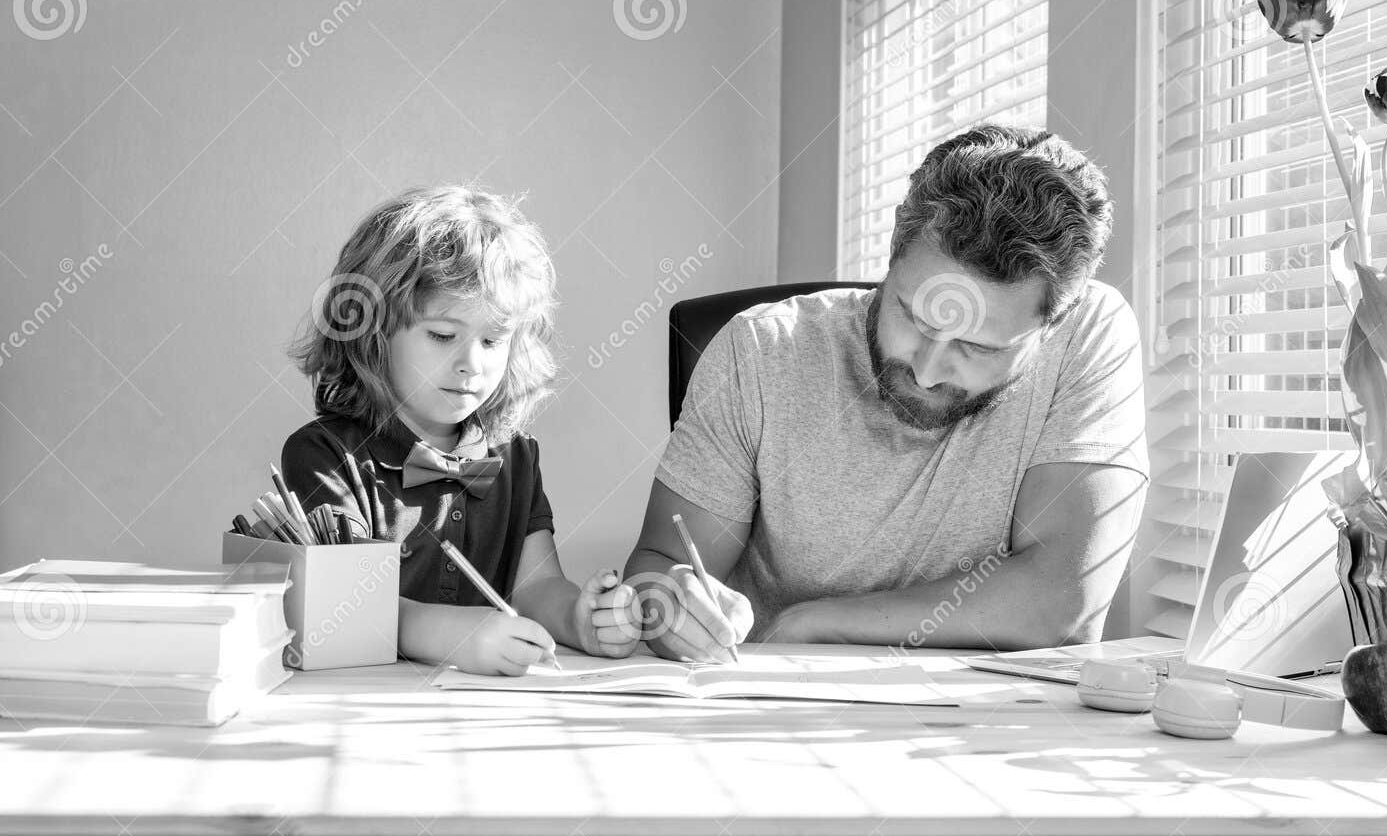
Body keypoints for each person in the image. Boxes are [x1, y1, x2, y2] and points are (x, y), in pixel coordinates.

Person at [625, 124, 1148, 660]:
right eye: (912, 316)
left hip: (982, 726)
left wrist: (817, 624)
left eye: (979, 348)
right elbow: (657, 565)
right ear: (896, 245)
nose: (926, 370)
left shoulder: (1090, 334)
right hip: (772, 709)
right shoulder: (760, 349)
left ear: (1053, 323)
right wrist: (670, 608)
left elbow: (1063, 602)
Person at [283, 186, 636, 674]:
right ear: (374, 333)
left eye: (493, 339)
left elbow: (535, 586)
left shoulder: (515, 457)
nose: (472, 363)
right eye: (443, 336)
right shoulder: (324, 455)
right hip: (362, 705)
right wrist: (457, 636)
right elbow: (347, 610)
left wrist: (580, 620)